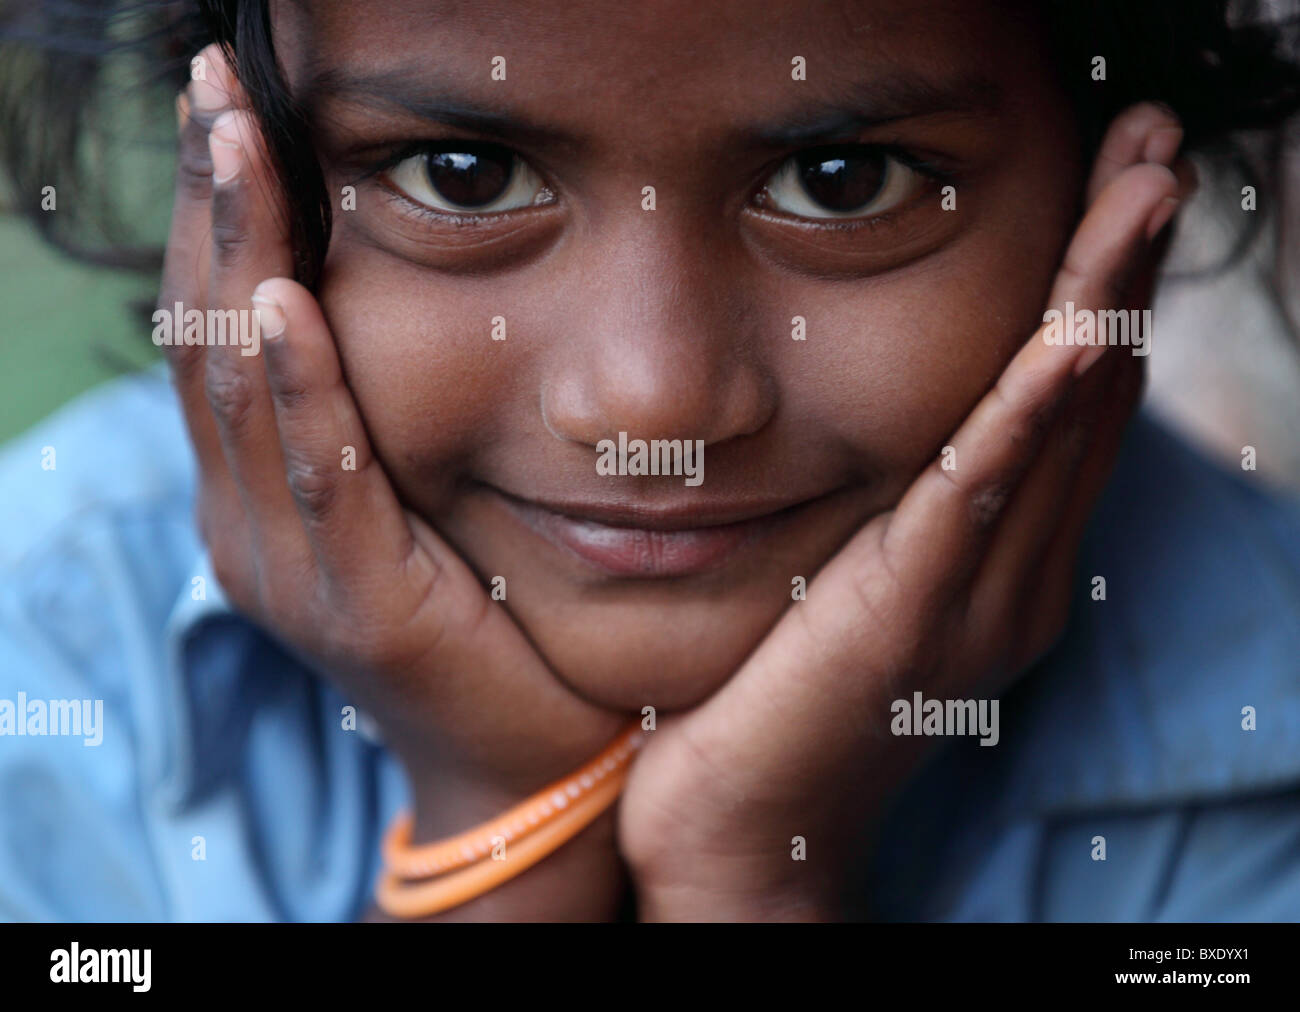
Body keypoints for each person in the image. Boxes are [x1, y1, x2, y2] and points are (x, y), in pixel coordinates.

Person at [0, 0, 1298, 921]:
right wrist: (504, 856)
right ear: (226, 179)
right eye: (464, 176)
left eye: (843, 182)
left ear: (1110, 197)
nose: (652, 401)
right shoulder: (53, 650)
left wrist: (760, 881)